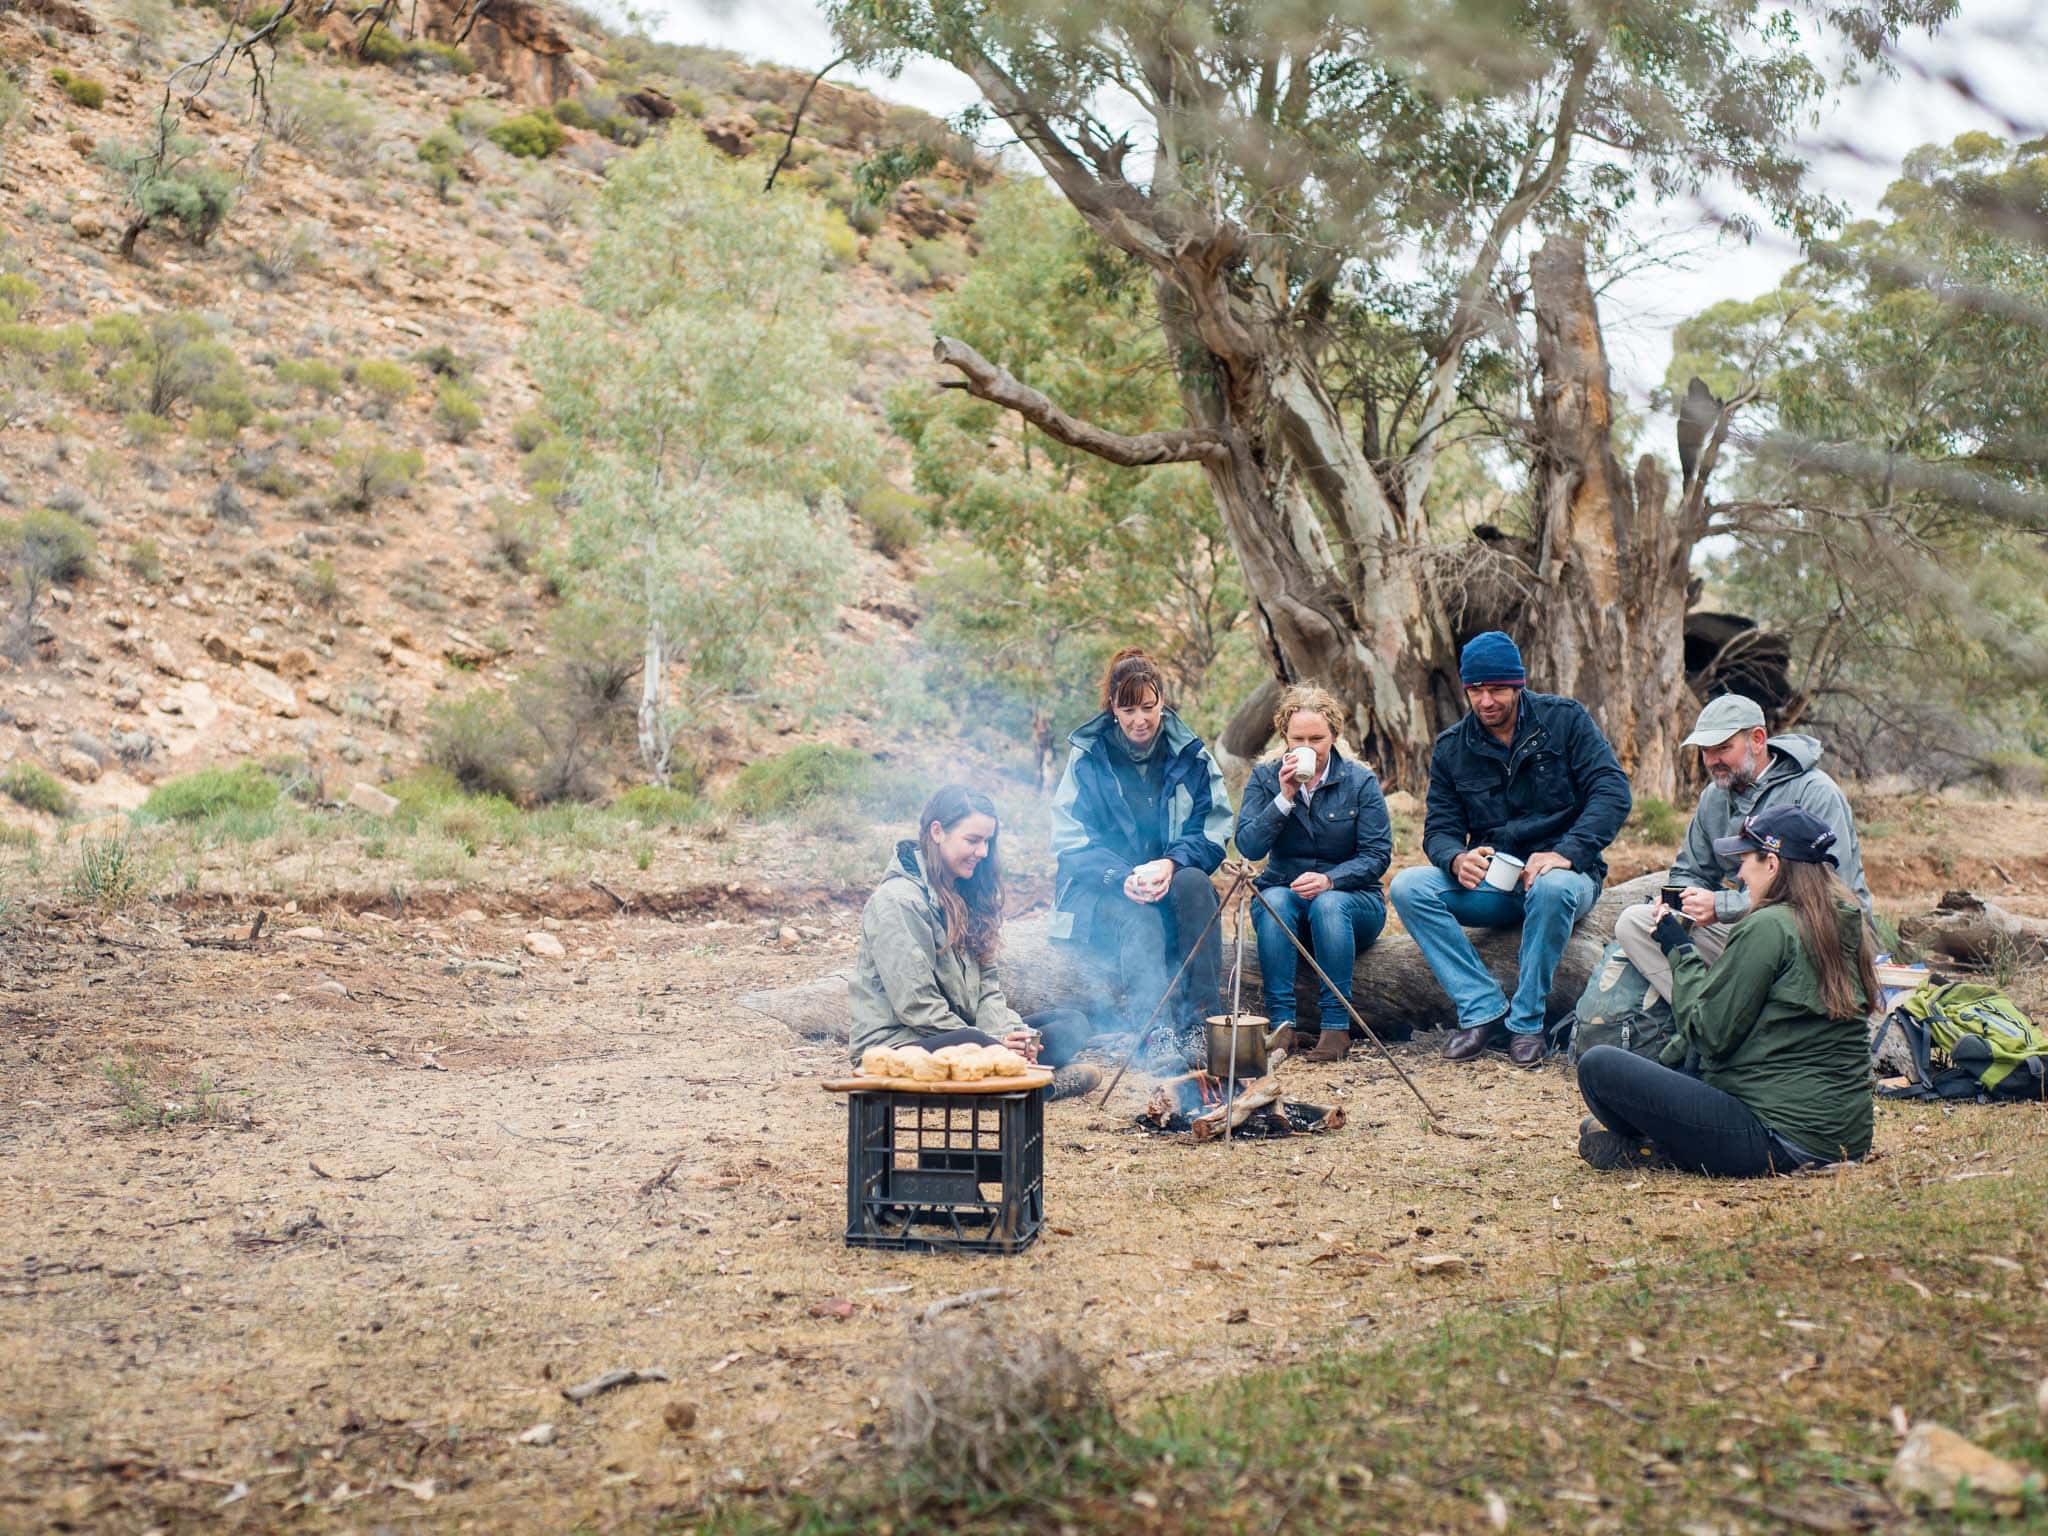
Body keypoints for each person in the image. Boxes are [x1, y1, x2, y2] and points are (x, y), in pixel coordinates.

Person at [1575, 805, 1876, 1175]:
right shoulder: (1843, 920)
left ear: (1772, 864)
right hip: (1844, 1136)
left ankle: (1653, 1146)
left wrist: (1678, 949)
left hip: (1778, 1138)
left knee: (1599, 1067)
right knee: (1674, 1074)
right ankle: (1656, 1139)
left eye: (1747, 859)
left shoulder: (1769, 926)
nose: (1739, 872)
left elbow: (1709, 1034)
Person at [1389, 631, 1632, 1067]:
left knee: (1553, 888)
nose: (1486, 701)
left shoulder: (1565, 720)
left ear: (1518, 685)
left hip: (1566, 877)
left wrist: (1568, 852)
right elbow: (1440, 828)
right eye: (1476, 690)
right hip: (1496, 884)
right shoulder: (1451, 747)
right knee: (1409, 887)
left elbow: (1612, 791)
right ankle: (1481, 1008)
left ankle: (1526, 1023)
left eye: (1497, 689)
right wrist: (1456, 858)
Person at [1613, 693, 1870, 1006]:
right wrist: (1680, 903)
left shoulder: (1815, 793)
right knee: (1635, 923)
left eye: (1722, 748)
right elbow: (1690, 870)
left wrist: (1724, 905)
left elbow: (1831, 894)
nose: (1711, 761)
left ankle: (1732, 1024)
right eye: (1705, 751)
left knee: (1761, 941)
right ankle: (1706, 1022)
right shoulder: (1713, 798)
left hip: (1816, 936)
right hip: (1747, 932)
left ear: (1758, 739)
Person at [849, 785, 1100, 1099]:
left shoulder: (966, 892)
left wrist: (1010, 1035)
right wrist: (990, 1044)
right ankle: (1038, 1088)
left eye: (987, 842)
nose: (982, 852)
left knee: (1071, 1023)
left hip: (964, 1034)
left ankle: (1018, 1073)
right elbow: (916, 1005)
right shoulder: (898, 902)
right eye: (973, 840)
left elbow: (987, 986)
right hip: (899, 1045)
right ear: (937, 832)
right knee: (980, 1041)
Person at [1049, 648, 1233, 1060]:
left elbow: (1213, 827)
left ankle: (1202, 1024)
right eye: (1128, 708)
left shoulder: (1191, 756)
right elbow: (1070, 840)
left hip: (1166, 878)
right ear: (1113, 707)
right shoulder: (1088, 758)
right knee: (1140, 914)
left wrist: (1171, 863)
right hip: (1103, 889)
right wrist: (1121, 877)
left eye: (1148, 707)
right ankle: (1156, 1032)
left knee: (1195, 882)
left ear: (1162, 701)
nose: (1140, 720)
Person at [1233, 685, 1393, 1063]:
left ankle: (1336, 1028)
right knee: (1272, 901)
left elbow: (1377, 855)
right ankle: (1282, 1026)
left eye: (1317, 738)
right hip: (1286, 897)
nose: (1309, 746)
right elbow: (1249, 846)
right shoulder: (1266, 778)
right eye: (1298, 738)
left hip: (1353, 903)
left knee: (1328, 905)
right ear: (1285, 739)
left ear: (1334, 736)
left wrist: (1331, 880)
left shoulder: (1359, 781)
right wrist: (1284, 797)